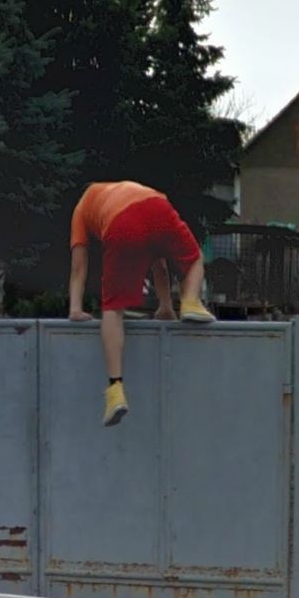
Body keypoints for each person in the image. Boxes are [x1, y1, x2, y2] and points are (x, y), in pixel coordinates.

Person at [67, 181, 215, 426]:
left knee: (113, 309)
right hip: (158, 205)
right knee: (195, 259)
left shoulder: (82, 208)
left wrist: (75, 308)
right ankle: (189, 301)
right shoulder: (120, 189)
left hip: (121, 222)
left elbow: (78, 265)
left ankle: (115, 390)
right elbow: (159, 262)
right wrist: (166, 306)